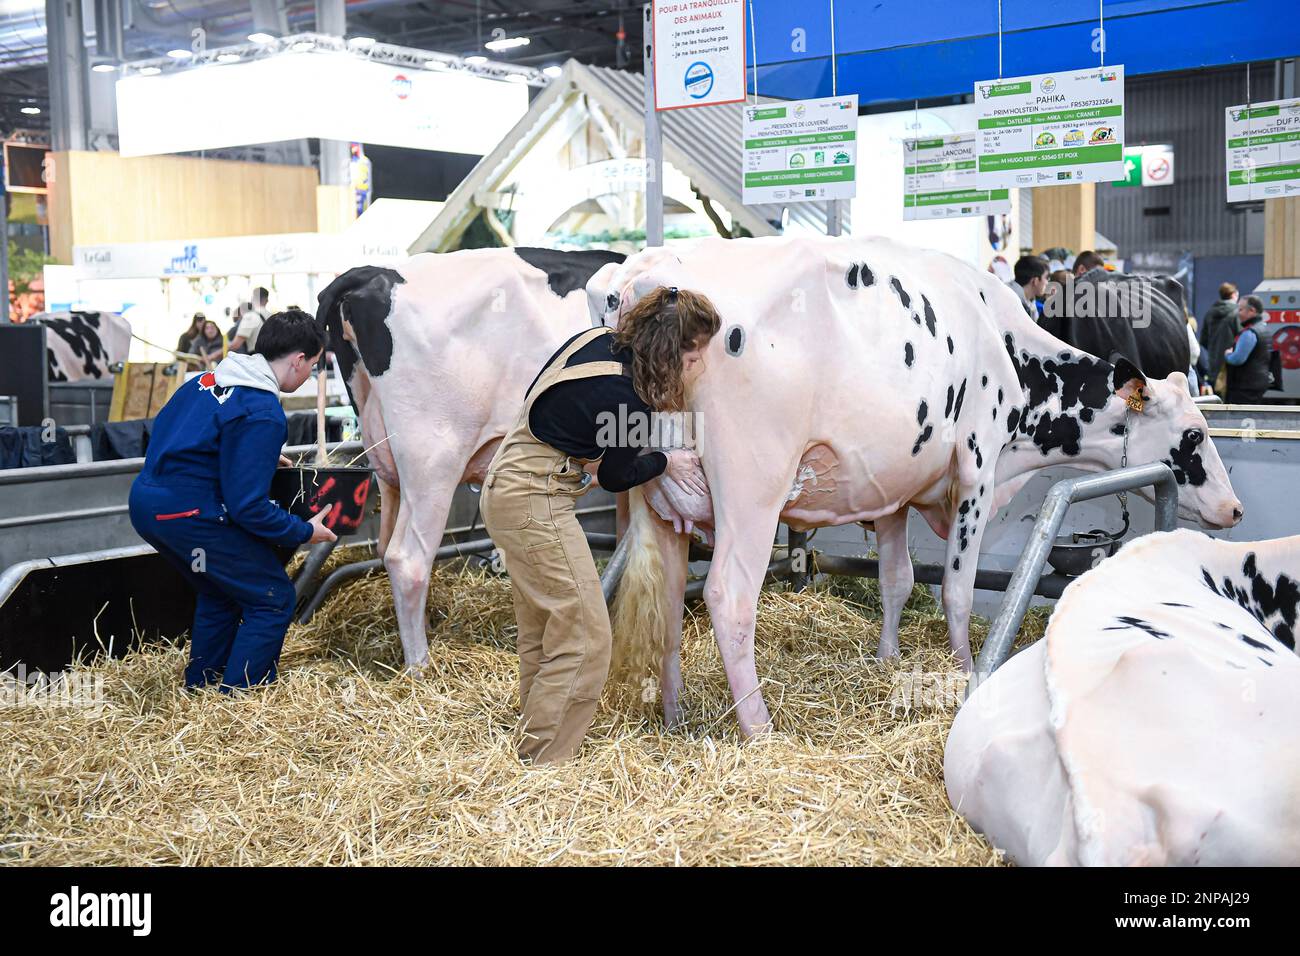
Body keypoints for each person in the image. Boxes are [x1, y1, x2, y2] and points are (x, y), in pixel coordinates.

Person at [480, 286, 718, 765]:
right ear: (674, 352)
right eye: (696, 357)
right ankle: (547, 764)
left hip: (504, 484)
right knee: (587, 637)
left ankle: (532, 746)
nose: (699, 368)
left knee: (546, 628)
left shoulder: (595, 341)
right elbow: (615, 476)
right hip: (535, 497)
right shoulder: (629, 396)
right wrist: (666, 460)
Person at [128, 309, 337, 691]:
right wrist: (304, 530)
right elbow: (248, 508)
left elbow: (177, 436)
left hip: (148, 504)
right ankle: (241, 697)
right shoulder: (263, 411)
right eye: (314, 364)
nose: (311, 373)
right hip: (189, 512)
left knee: (220, 589)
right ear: (298, 360)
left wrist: (245, 453)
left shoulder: (207, 380)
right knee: (272, 597)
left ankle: (201, 687)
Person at [1223, 294, 1271, 404]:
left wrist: (1228, 354)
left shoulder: (1249, 333)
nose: (1238, 313)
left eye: (1240, 309)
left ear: (1252, 311)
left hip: (1245, 386)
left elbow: (1237, 359)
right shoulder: (1264, 328)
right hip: (1259, 382)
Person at [1199, 282, 1239, 397]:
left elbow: (1203, 340)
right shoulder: (1238, 313)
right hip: (1232, 365)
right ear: (1233, 295)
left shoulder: (1210, 313)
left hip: (1214, 364)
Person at [229, 287, 271, 354]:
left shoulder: (250, 317)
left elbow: (235, 345)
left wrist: (213, 355)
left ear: (252, 298)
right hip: (273, 357)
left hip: (256, 357)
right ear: (267, 300)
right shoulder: (273, 316)